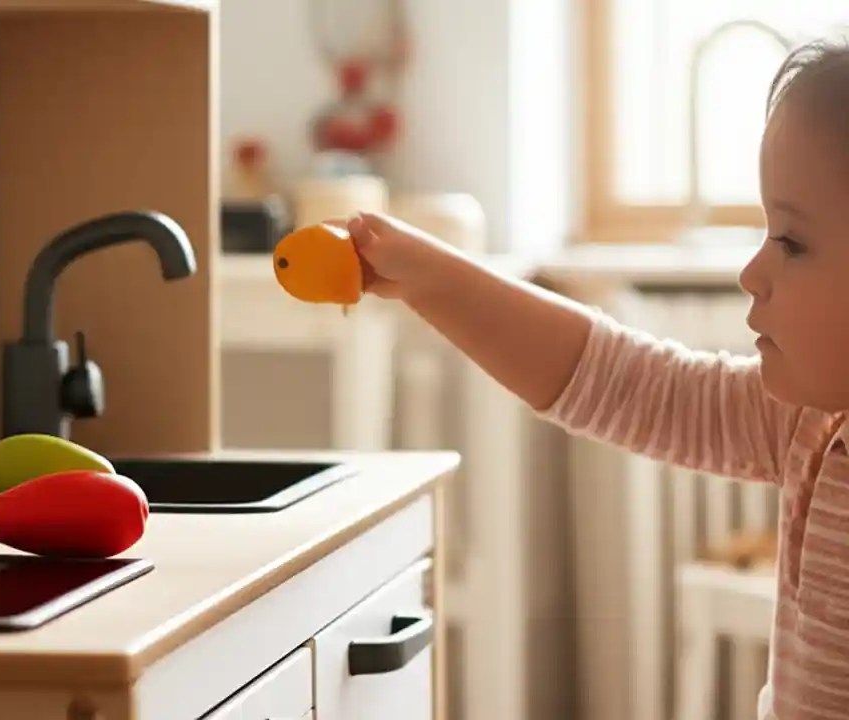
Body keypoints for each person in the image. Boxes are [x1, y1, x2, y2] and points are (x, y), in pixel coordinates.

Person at [343, 40, 849, 719]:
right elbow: (624, 382)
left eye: (790, 241)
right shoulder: (810, 423)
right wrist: (435, 278)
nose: (751, 273)